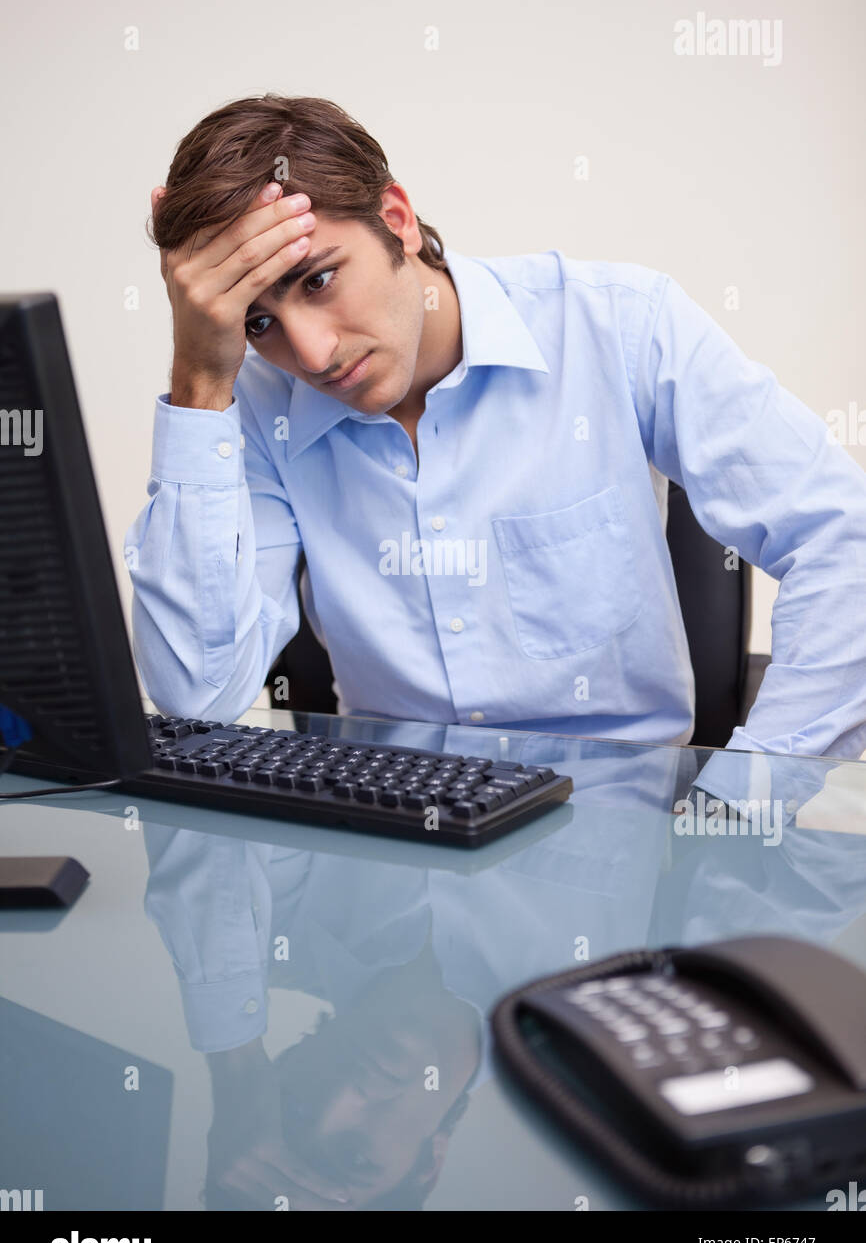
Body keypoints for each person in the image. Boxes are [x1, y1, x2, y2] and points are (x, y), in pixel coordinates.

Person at [125, 93, 866, 758]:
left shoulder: (618, 326)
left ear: (397, 220)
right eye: (259, 321)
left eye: (318, 279)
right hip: (379, 845)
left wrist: (747, 807)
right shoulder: (253, 407)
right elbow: (199, 698)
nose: (311, 353)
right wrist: (200, 379)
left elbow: (843, 545)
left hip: (608, 849)